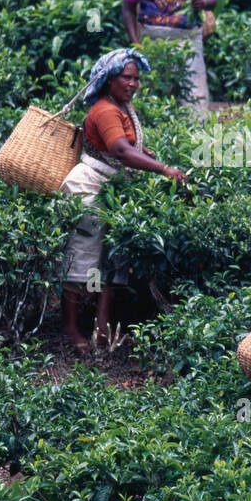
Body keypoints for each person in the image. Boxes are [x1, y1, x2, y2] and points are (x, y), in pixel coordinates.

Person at [59, 47, 190, 350]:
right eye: (126, 78)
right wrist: (164, 169)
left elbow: (123, 146)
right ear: (108, 80)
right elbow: (119, 150)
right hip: (89, 190)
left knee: (111, 262)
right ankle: (70, 329)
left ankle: (102, 329)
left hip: (113, 191)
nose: (132, 84)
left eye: (136, 79)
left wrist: (142, 154)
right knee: (82, 261)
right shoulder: (105, 109)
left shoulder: (120, 107)